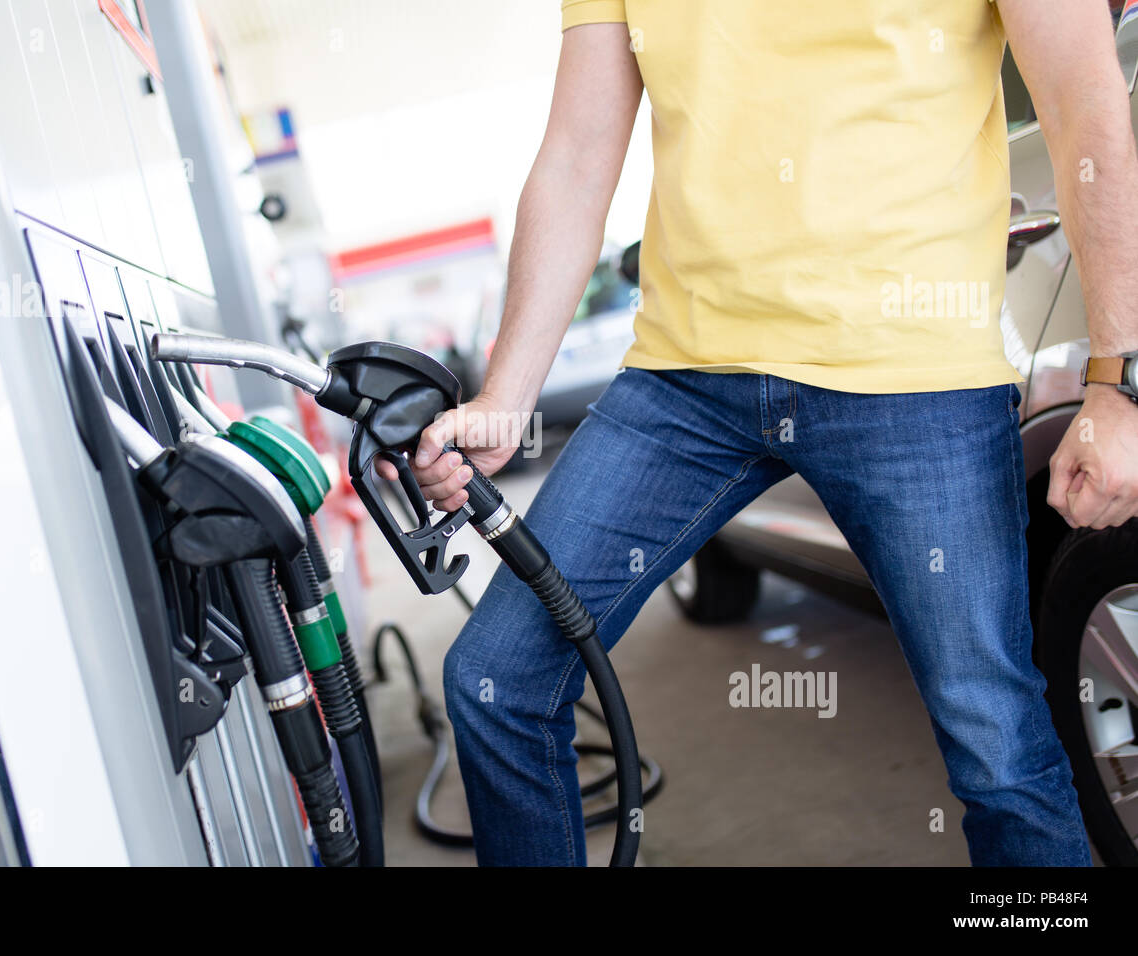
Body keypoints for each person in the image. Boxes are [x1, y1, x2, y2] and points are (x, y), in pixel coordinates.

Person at [403, 0, 1138, 865]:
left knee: (998, 750)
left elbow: (1084, 99)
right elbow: (576, 154)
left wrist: (1117, 382)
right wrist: (508, 395)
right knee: (498, 683)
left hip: (909, 374)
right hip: (685, 379)